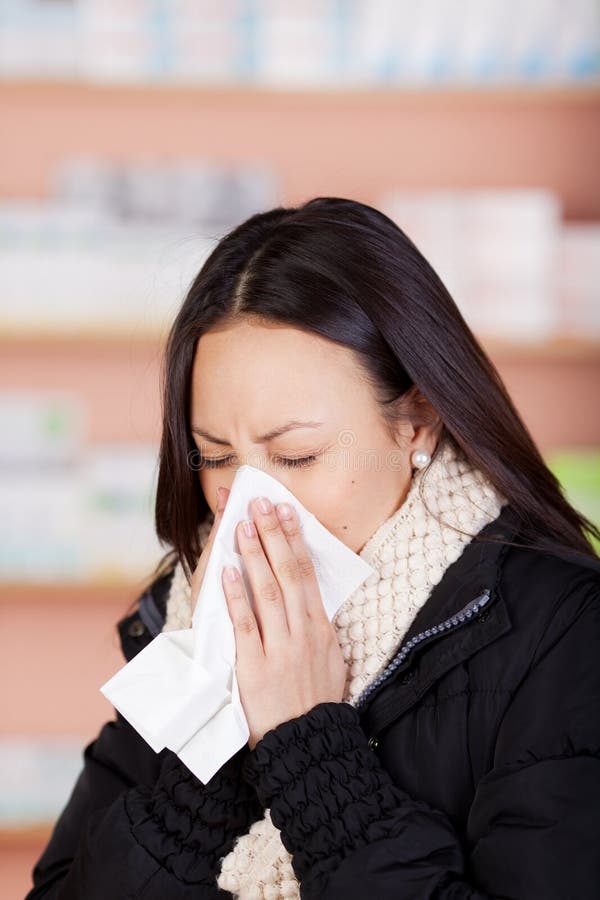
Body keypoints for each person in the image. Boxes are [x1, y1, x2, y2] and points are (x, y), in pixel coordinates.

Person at [27, 197, 600, 899]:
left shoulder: (566, 631)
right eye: (215, 457)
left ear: (416, 423)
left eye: (295, 456)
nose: (248, 502)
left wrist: (309, 751)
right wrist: (209, 749)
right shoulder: (191, 617)